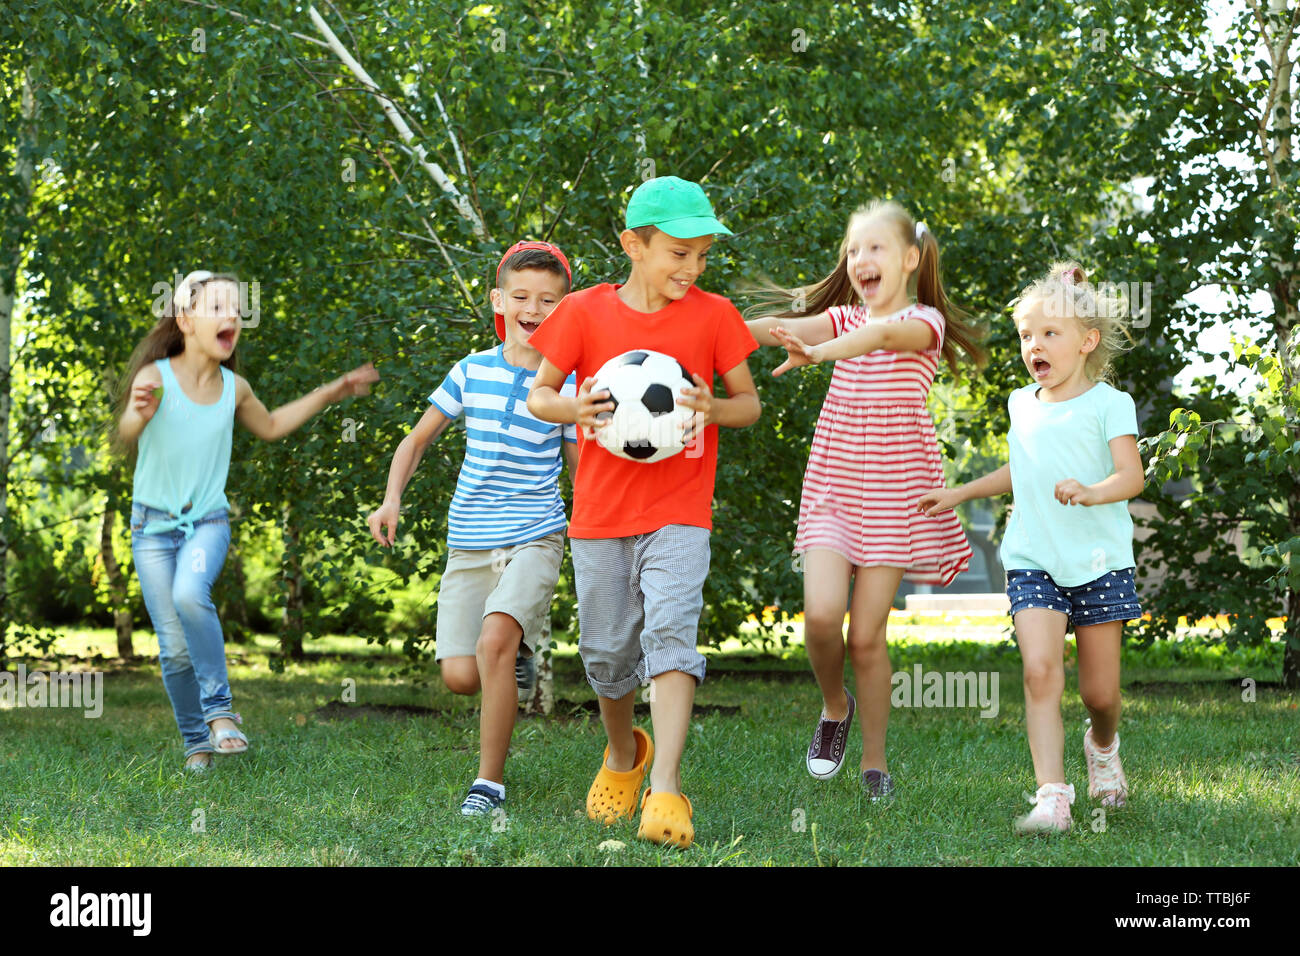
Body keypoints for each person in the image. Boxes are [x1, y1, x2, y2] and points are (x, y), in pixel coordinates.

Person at [527, 176, 760, 848]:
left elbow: (748, 404)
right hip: (601, 515)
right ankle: (625, 754)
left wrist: (714, 408)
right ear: (634, 244)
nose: (692, 268)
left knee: (671, 638)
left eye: (702, 255)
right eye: (679, 253)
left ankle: (667, 788)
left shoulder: (715, 317)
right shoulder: (583, 313)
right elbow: (540, 394)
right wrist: (571, 409)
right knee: (605, 656)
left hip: (682, 510)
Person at [746, 200, 985, 799]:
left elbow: (880, 334)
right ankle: (835, 708)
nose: (860, 260)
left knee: (867, 637)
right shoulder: (843, 319)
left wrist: (822, 352)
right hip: (833, 485)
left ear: (909, 259)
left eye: (874, 248)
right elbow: (774, 331)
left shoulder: (923, 322)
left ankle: (874, 764)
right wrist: (700, 329)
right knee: (823, 619)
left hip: (894, 493)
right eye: (853, 250)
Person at [117, 270, 378, 772]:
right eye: (218, 307)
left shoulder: (235, 387)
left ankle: (220, 712)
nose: (232, 316)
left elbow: (274, 426)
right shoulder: (155, 377)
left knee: (190, 594)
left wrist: (332, 391)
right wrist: (137, 411)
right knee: (173, 649)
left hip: (206, 523)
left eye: (236, 309)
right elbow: (128, 429)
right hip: (150, 530)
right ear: (186, 319)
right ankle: (197, 744)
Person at [919, 262, 1143, 833]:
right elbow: (1022, 468)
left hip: (1099, 563)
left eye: (1049, 333)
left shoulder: (1109, 403)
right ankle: (1052, 797)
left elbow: (1131, 477)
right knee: (1040, 672)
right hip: (1033, 558)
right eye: (1025, 335)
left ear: (1087, 342)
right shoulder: (1023, 403)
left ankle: (1103, 746)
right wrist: (959, 492)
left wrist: (1093, 492)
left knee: (1100, 693)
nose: (1033, 346)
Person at [367, 241, 578, 816]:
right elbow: (416, 441)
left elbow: (581, 466)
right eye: (522, 297)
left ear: (566, 308)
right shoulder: (471, 370)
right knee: (462, 676)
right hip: (469, 538)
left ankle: (489, 785)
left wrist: (592, 524)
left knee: (493, 644)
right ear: (499, 300)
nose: (533, 309)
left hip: (536, 531)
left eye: (549, 301)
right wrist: (391, 500)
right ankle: (518, 657)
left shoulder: (569, 384)